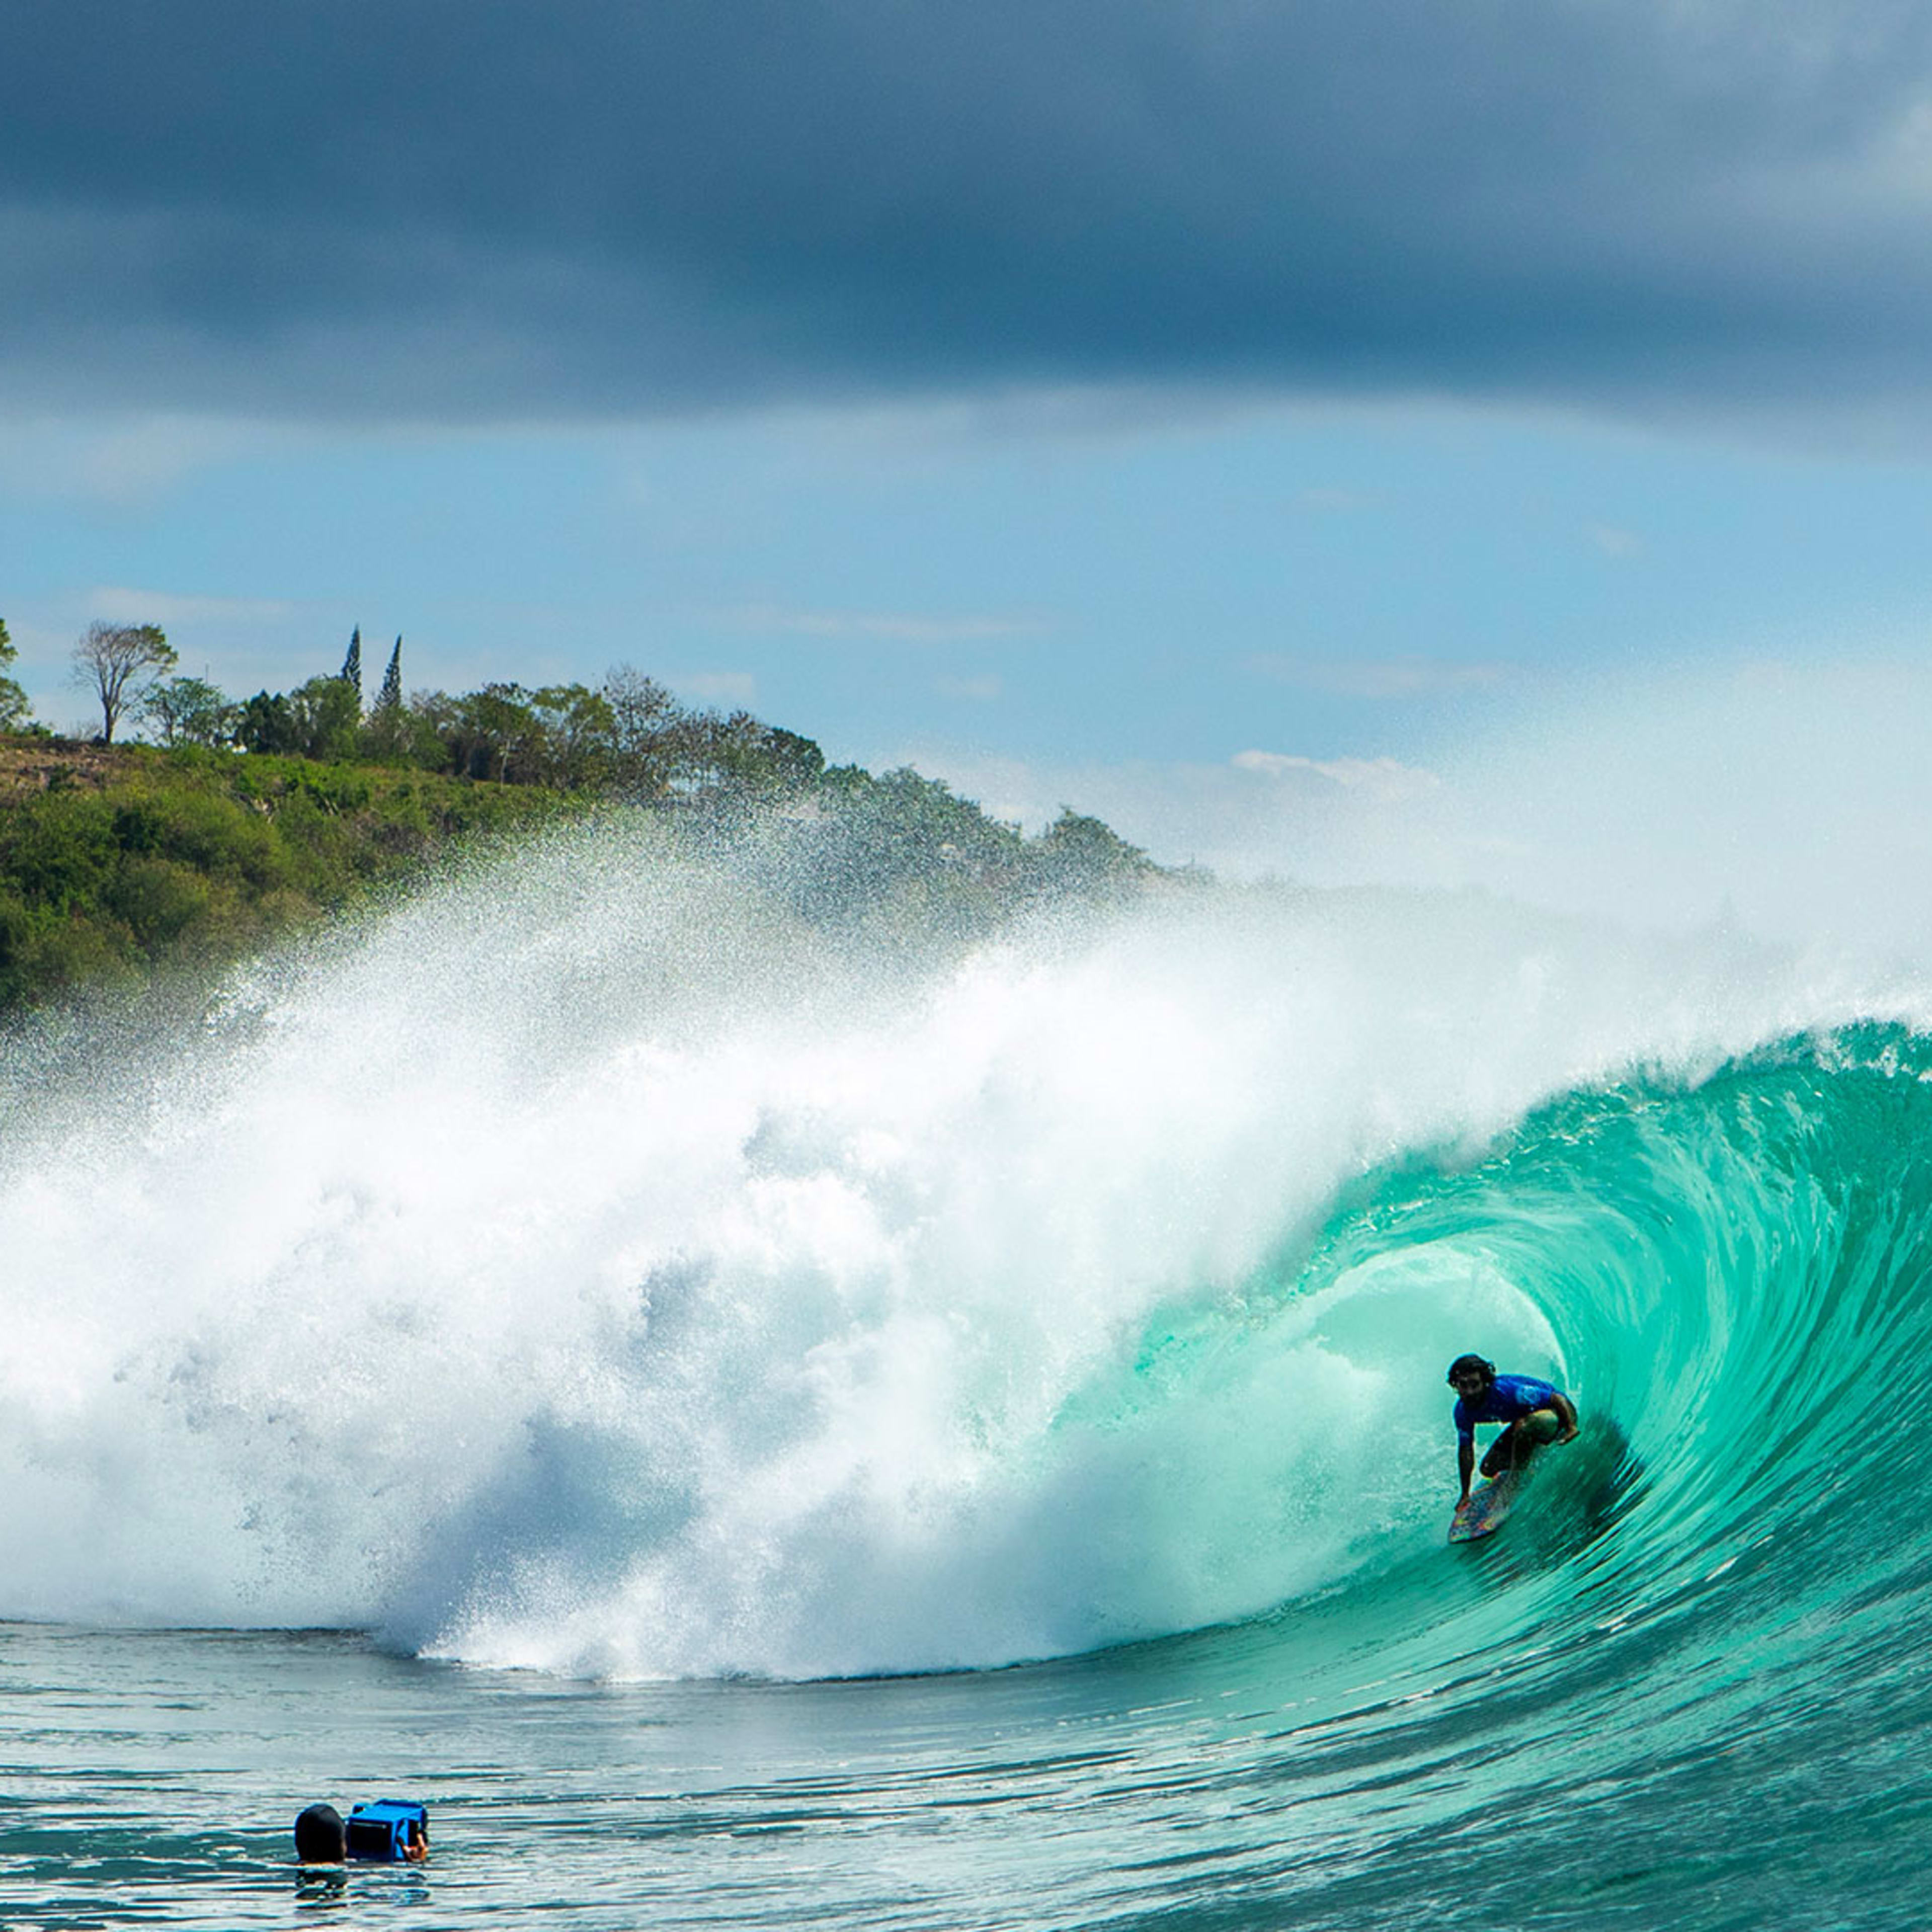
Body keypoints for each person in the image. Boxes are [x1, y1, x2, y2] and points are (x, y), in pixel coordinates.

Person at [1447, 1354, 1578, 1504]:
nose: (1469, 1392)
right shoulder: (1462, 1411)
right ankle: (1530, 1463)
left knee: (1524, 1427)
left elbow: (1556, 1399)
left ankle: (1515, 1481)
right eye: (1463, 1385)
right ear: (1455, 1385)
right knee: (1488, 1469)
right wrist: (1465, 1494)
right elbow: (1466, 1451)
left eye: (1475, 1385)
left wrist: (1571, 1427)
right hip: (1527, 1423)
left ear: (1485, 1382)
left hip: (1558, 1415)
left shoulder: (1507, 1392)